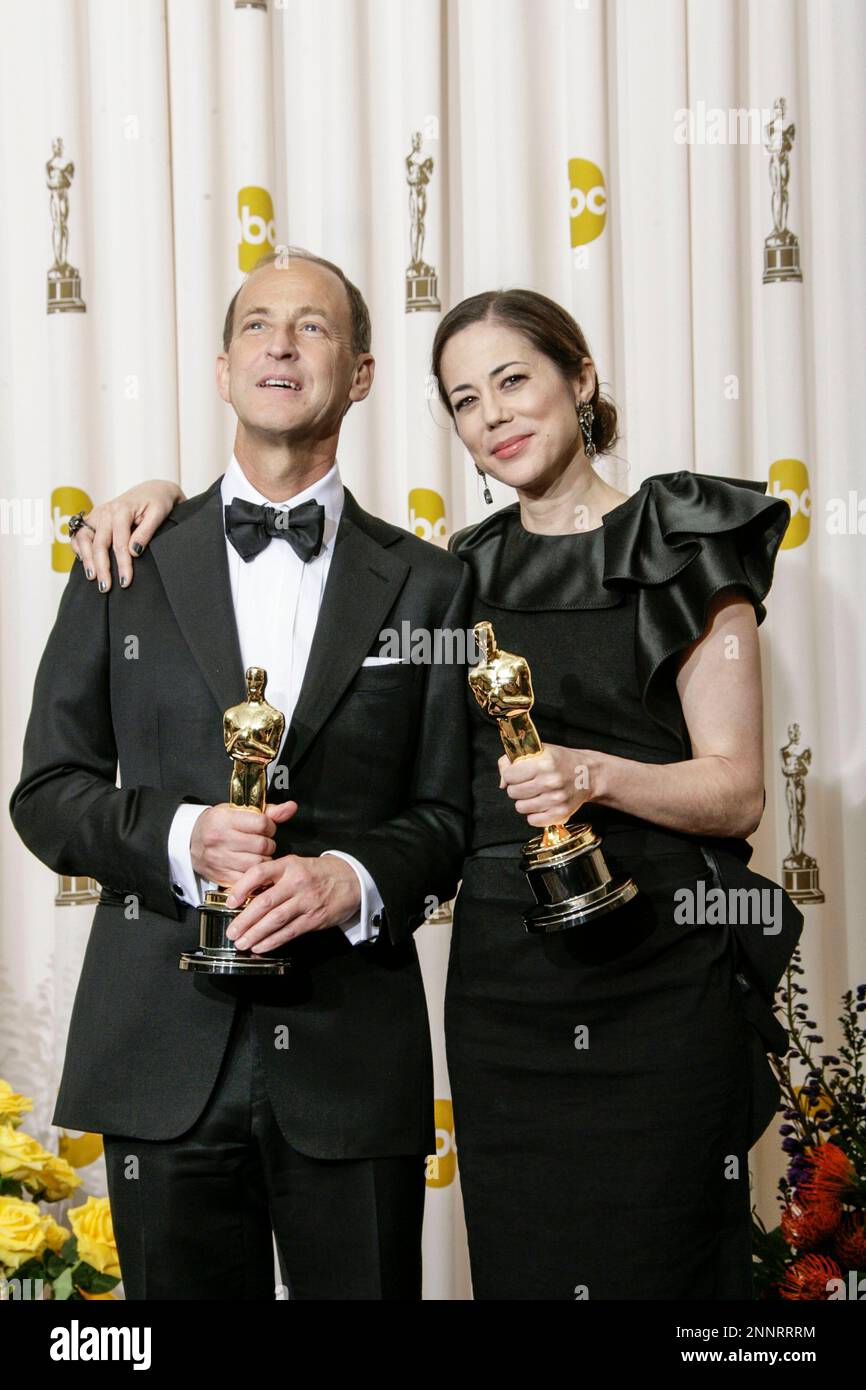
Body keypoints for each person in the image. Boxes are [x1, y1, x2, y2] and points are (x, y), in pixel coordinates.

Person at [72, 287, 803, 1302]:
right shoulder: (453, 573)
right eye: (464, 398)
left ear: (579, 379)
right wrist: (158, 497)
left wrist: (589, 773)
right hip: (505, 983)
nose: (492, 413)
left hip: (652, 969)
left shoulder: (681, 539)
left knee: (664, 1257)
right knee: (521, 1264)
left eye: (513, 380)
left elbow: (734, 794)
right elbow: (423, 797)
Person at [9, 248, 472, 1301]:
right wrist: (180, 840)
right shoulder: (121, 555)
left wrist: (347, 878)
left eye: (311, 326)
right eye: (258, 324)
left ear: (358, 372)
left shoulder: (431, 585)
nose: (279, 342)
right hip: (157, 1057)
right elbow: (47, 791)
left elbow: (450, 813)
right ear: (222, 368)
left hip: (351, 1058)